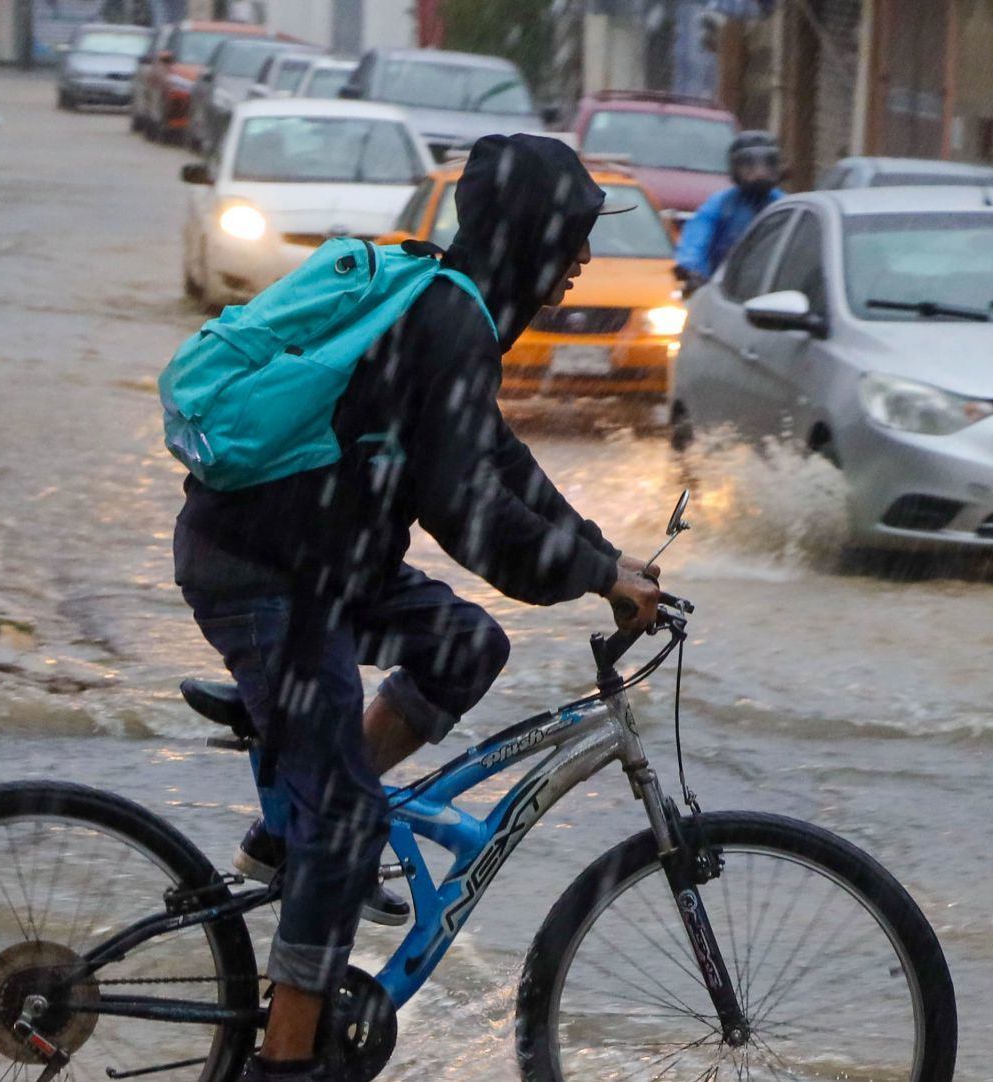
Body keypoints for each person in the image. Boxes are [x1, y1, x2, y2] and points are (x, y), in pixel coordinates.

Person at [173, 132, 664, 1082]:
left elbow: (498, 458)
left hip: (321, 564)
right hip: (265, 574)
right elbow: (468, 513)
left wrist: (606, 556)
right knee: (350, 827)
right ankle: (284, 1063)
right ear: (530, 235)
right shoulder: (446, 318)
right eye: (573, 237)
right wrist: (589, 576)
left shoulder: (457, 309)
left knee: (464, 644)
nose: (585, 262)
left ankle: (288, 838)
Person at [673, 129, 784, 288]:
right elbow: (697, 235)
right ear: (735, 169)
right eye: (749, 166)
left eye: (767, 165)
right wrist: (690, 268)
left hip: (774, 292)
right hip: (722, 290)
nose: (759, 173)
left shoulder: (783, 205)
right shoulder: (720, 204)